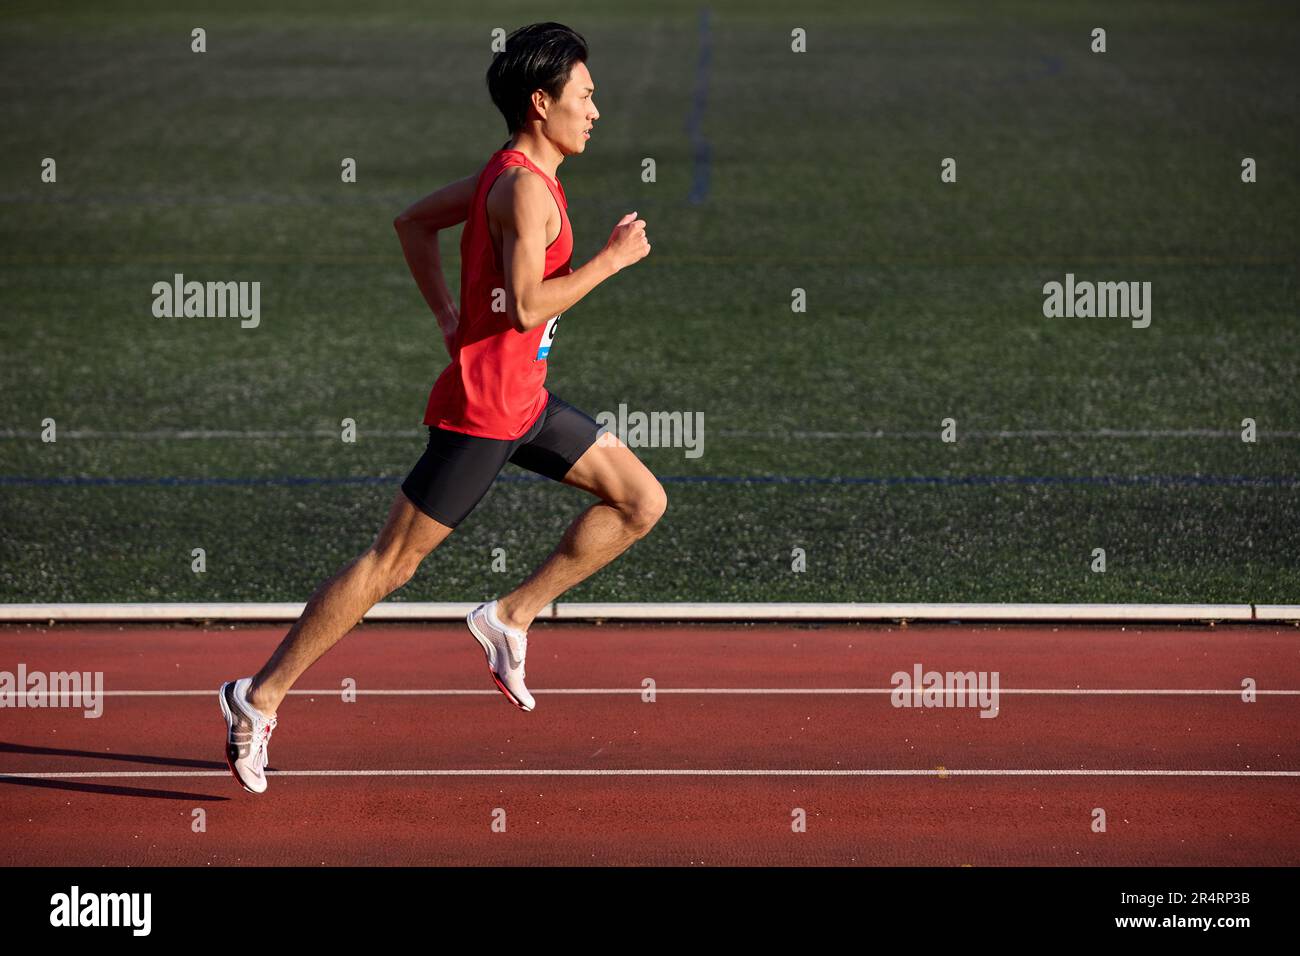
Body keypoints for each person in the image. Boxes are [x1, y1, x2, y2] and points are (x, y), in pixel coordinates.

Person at [219, 22, 663, 794]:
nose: (596, 110)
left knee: (640, 500)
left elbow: (412, 223)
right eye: (585, 96)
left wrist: (449, 318)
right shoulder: (523, 188)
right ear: (540, 101)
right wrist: (610, 262)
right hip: (485, 414)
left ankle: (510, 617)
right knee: (390, 564)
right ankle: (257, 699)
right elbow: (526, 306)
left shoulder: (513, 172)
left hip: (526, 400)